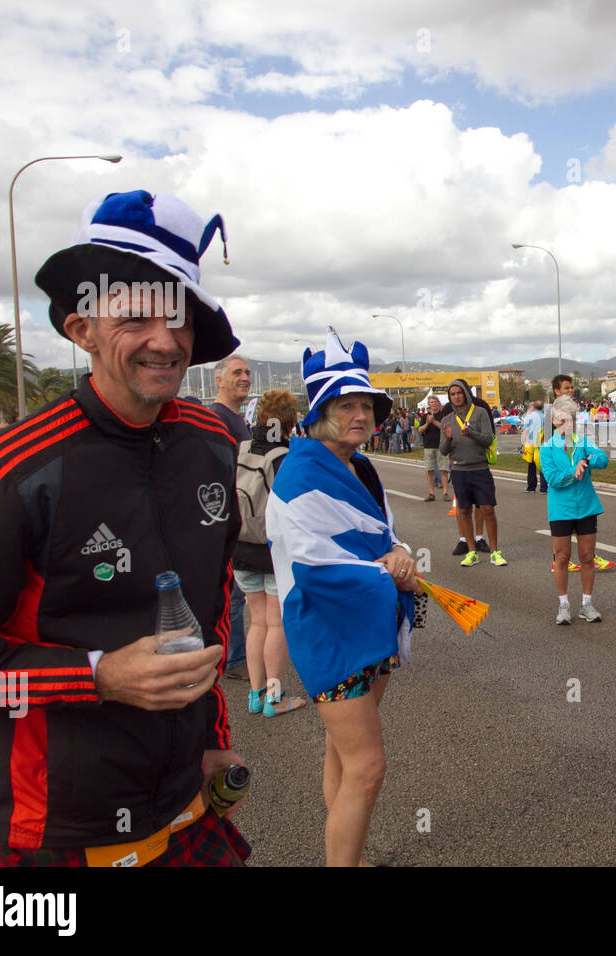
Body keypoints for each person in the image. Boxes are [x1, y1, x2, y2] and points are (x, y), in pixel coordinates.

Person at [0, 188, 248, 866]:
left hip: (187, 802)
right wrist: (96, 676)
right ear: (82, 331)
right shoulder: (10, 469)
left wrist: (213, 734)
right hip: (54, 831)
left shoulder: (212, 444)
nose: (166, 341)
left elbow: (211, 616)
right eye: (136, 318)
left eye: (179, 318)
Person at [267, 330, 419, 864]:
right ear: (320, 411)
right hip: (329, 630)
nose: (362, 415)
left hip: (369, 625)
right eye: (347, 405)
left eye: (367, 404)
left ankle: (344, 852)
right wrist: (392, 575)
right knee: (368, 766)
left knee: (344, 755)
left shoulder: (364, 466)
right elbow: (313, 566)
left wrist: (398, 552)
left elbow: (383, 533)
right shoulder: (300, 474)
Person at [235, 388, 307, 719]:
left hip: (241, 548)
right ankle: (274, 697)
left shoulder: (242, 449)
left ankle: (255, 693)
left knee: (256, 622)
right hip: (272, 550)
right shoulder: (284, 456)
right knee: (276, 624)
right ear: (291, 421)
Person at [542, 397, 609, 623]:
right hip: (561, 509)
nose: (566, 425)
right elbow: (553, 479)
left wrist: (590, 460)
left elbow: (603, 459)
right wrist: (575, 470)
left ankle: (587, 604)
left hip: (586, 507)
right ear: (553, 421)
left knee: (587, 557)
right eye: (561, 420)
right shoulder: (547, 448)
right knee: (561, 558)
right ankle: (563, 606)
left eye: (569, 420)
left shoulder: (583, 442)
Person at [211, 353, 251, 679]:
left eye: (247, 372)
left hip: (243, 519)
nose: (245, 377)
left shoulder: (238, 420)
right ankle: (234, 658)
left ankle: (233, 654)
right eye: (237, 372)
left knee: (237, 593)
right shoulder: (216, 418)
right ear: (219, 380)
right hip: (226, 522)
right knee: (233, 594)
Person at [549, 374, 614, 572]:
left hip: (581, 492)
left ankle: (587, 556)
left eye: (571, 388)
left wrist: (590, 457)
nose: (571, 391)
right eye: (566, 388)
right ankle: (559, 559)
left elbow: (595, 453)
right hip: (559, 480)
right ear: (556, 392)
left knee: (581, 520)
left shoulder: (575, 420)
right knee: (565, 521)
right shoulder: (552, 417)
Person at [441, 378, 507, 566]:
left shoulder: (479, 413)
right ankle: (471, 551)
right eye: (452, 394)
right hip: (459, 471)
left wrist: (471, 433)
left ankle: (495, 551)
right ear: (450, 397)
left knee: (487, 509)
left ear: (465, 393)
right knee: (463, 510)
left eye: (459, 393)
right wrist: (447, 438)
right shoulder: (447, 419)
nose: (456, 397)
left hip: (479, 468)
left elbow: (488, 439)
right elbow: (443, 450)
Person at [418, 396, 451, 501]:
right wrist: (428, 422)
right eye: (431, 402)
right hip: (428, 446)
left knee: (443, 470)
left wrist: (433, 421)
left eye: (435, 402)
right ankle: (431, 493)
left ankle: (445, 492)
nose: (433, 404)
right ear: (429, 404)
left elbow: (444, 428)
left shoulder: (443, 415)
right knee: (430, 470)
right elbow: (420, 429)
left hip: (441, 446)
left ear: (438, 403)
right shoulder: (425, 416)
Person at [522, 399, 545, 493]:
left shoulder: (529, 416)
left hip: (530, 443)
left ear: (533, 407)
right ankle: (544, 488)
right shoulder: (545, 417)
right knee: (541, 465)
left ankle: (531, 487)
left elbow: (525, 430)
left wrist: (523, 443)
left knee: (531, 466)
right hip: (541, 444)